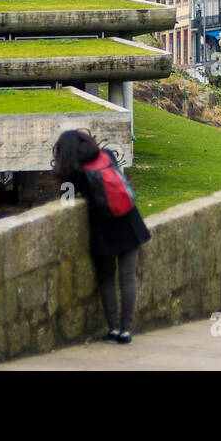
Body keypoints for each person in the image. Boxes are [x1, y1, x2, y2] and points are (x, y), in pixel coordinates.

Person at [51, 129, 149, 343]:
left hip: (104, 229)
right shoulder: (108, 155)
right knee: (127, 277)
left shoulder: (76, 174)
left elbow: (67, 201)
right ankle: (126, 330)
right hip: (130, 221)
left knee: (106, 279)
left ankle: (113, 328)